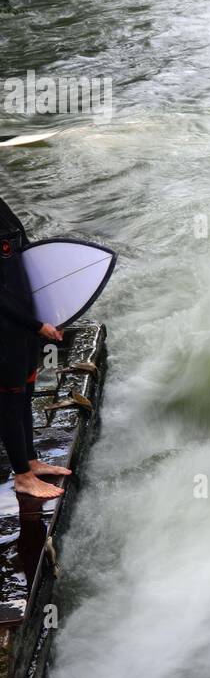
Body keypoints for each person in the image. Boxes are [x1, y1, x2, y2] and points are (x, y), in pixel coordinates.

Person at [0, 196, 68, 499]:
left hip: (25, 322)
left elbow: (31, 261)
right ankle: (23, 477)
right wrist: (36, 325)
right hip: (6, 328)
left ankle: (30, 460)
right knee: (8, 402)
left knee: (26, 392)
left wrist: (54, 313)